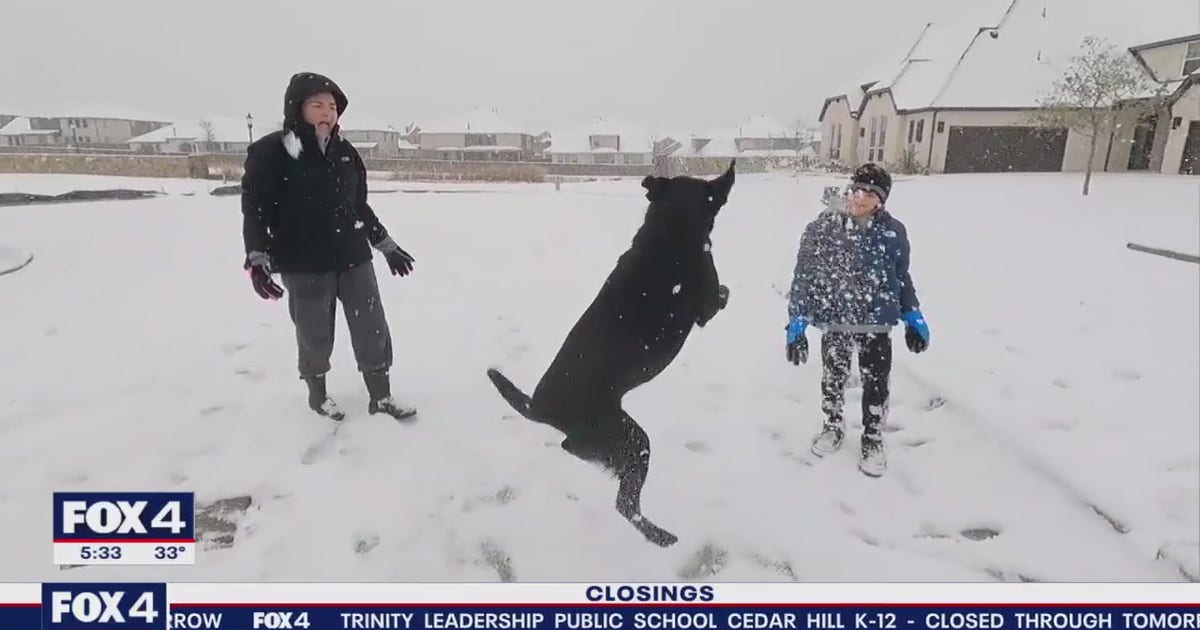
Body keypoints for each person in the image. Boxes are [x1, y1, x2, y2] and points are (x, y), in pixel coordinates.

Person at [241, 71, 418, 422]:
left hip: (352, 255)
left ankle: (380, 398)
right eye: (317, 104)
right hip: (303, 261)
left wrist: (387, 246)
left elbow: (359, 206)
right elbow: (256, 208)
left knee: (372, 326)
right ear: (297, 108)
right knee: (314, 331)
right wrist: (257, 259)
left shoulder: (345, 153)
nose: (327, 112)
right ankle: (318, 397)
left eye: (333, 106)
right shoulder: (272, 151)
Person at [784, 163, 929, 476]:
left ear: (881, 200)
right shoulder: (822, 228)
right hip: (836, 318)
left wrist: (912, 315)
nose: (859, 197)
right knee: (832, 378)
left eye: (869, 193)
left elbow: (900, 277)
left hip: (876, 323)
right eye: (856, 189)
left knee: (876, 384)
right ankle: (833, 425)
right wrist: (797, 323)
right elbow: (804, 277)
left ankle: (873, 437)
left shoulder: (893, 232)